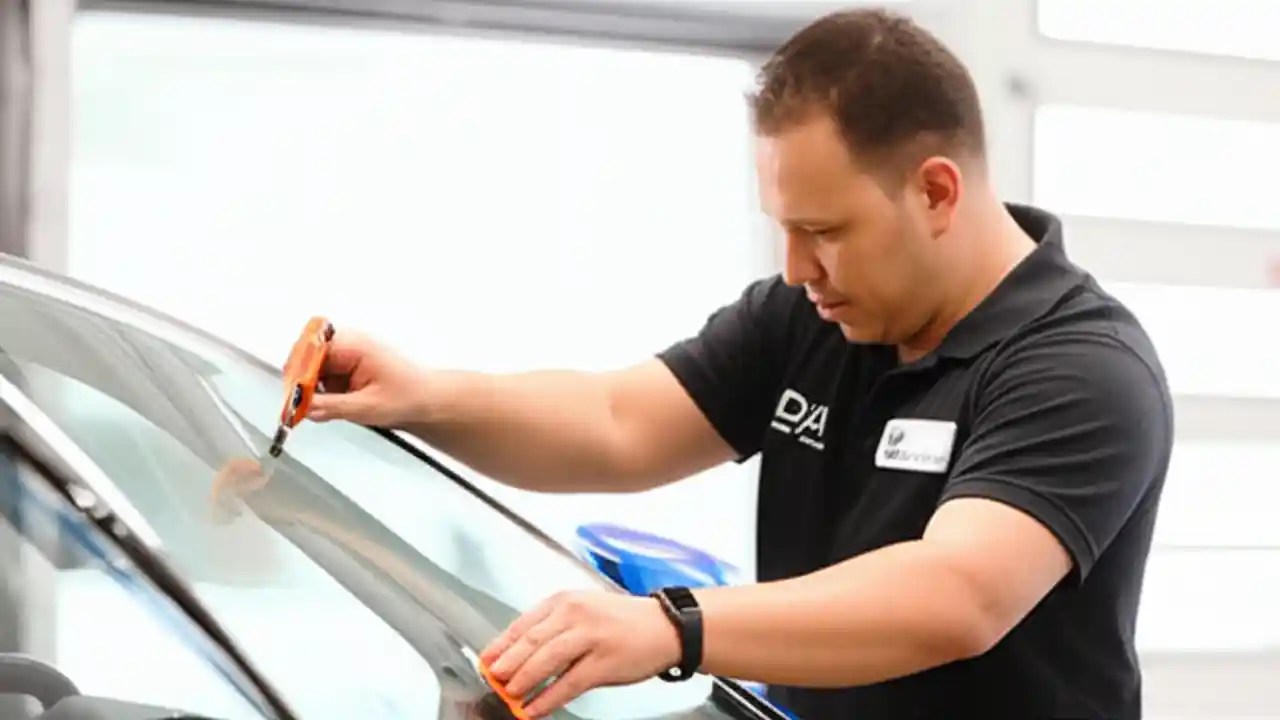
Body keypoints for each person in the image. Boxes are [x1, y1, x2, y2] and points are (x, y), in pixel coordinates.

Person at [305, 8, 1173, 719]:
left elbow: (956, 595)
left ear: (937, 192)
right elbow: (617, 425)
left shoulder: (1082, 369)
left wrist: (671, 628)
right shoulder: (809, 320)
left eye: (824, 232)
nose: (796, 268)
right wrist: (423, 398)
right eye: (784, 228)